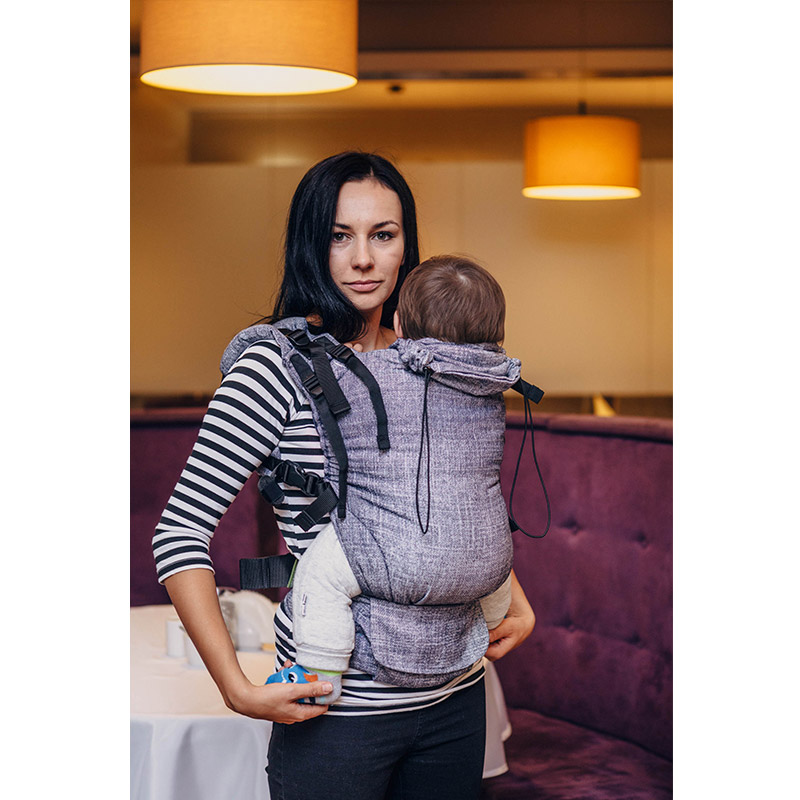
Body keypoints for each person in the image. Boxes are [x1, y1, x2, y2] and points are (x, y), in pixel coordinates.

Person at [152, 152, 536, 800]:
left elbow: (455, 496)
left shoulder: (434, 357)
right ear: (312, 244)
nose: (363, 259)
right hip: (338, 714)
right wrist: (235, 687)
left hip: (456, 694)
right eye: (340, 235)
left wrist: (510, 592)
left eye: (382, 235)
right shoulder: (272, 367)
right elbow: (179, 534)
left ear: (406, 245)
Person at [266, 255, 520, 705]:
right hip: (488, 558)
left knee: (320, 574)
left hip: (395, 554)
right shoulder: (495, 386)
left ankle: (320, 676)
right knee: (484, 569)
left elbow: (313, 365)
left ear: (399, 324)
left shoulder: (373, 370)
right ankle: (489, 625)